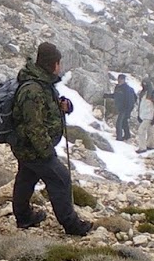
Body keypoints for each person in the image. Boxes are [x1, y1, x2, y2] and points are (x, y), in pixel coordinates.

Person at [8, 42, 94, 236]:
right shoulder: (33, 89)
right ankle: (71, 225)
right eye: (58, 63)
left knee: (26, 178)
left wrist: (66, 106)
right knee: (60, 178)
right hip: (34, 148)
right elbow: (34, 126)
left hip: (26, 146)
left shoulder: (43, 83)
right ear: (52, 63)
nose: (60, 67)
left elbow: (49, 108)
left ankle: (23, 217)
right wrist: (47, 152)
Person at [134, 79, 154, 151]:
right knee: (150, 130)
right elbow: (141, 105)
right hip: (144, 115)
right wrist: (139, 115)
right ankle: (150, 145)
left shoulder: (153, 93)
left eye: (145, 84)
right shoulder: (142, 93)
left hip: (150, 115)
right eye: (143, 84)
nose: (144, 85)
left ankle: (142, 147)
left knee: (141, 130)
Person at [112, 73, 137, 142]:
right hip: (120, 108)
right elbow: (115, 96)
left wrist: (128, 111)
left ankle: (119, 138)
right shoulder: (117, 87)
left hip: (125, 108)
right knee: (124, 122)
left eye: (121, 79)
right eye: (118, 79)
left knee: (119, 123)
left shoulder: (127, 89)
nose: (119, 81)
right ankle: (127, 135)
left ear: (124, 80)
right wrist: (107, 96)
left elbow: (131, 100)